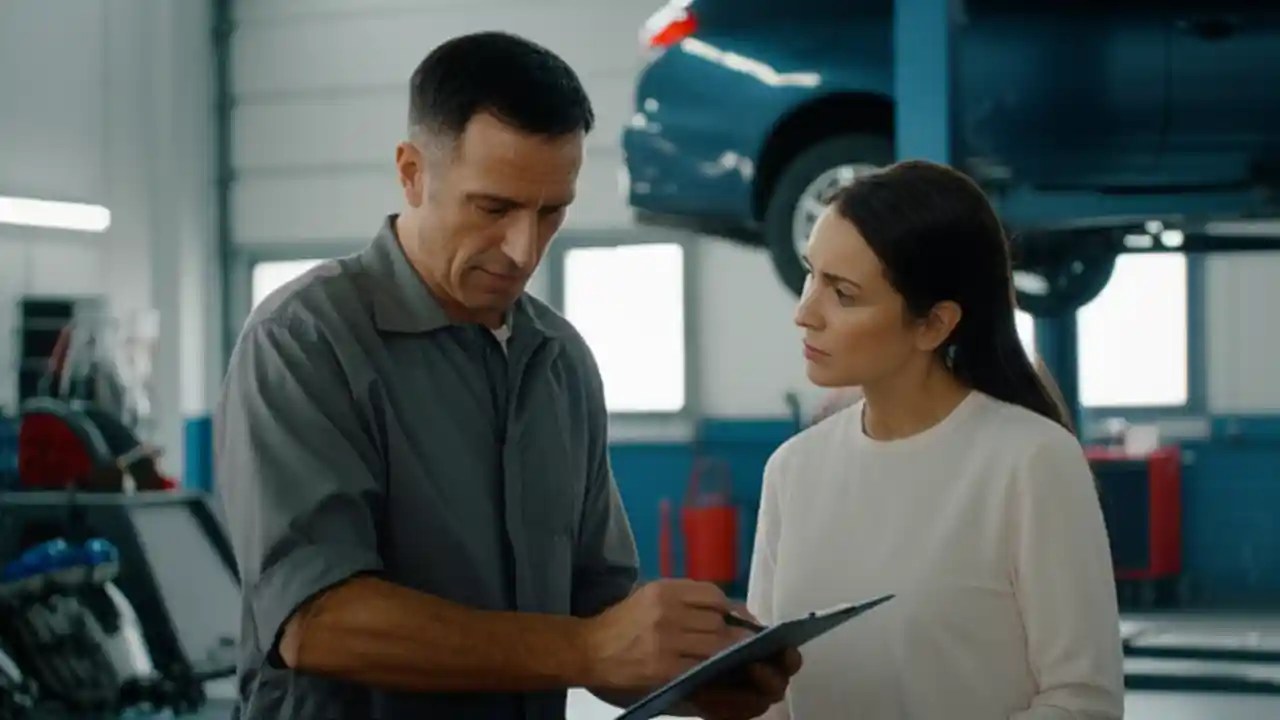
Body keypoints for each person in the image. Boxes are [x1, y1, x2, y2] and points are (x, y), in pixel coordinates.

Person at [215, 31, 799, 720]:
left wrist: (692, 671)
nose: (523, 249)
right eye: (493, 208)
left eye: (551, 212)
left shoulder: (560, 361)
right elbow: (316, 622)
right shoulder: (304, 341)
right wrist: (587, 648)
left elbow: (598, 614)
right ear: (412, 173)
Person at [746, 160, 1125, 719]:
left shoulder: (1031, 460)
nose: (805, 313)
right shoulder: (792, 471)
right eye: (811, 275)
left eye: (843, 293)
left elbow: (1082, 703)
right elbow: (766, 698)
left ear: (934, 324)